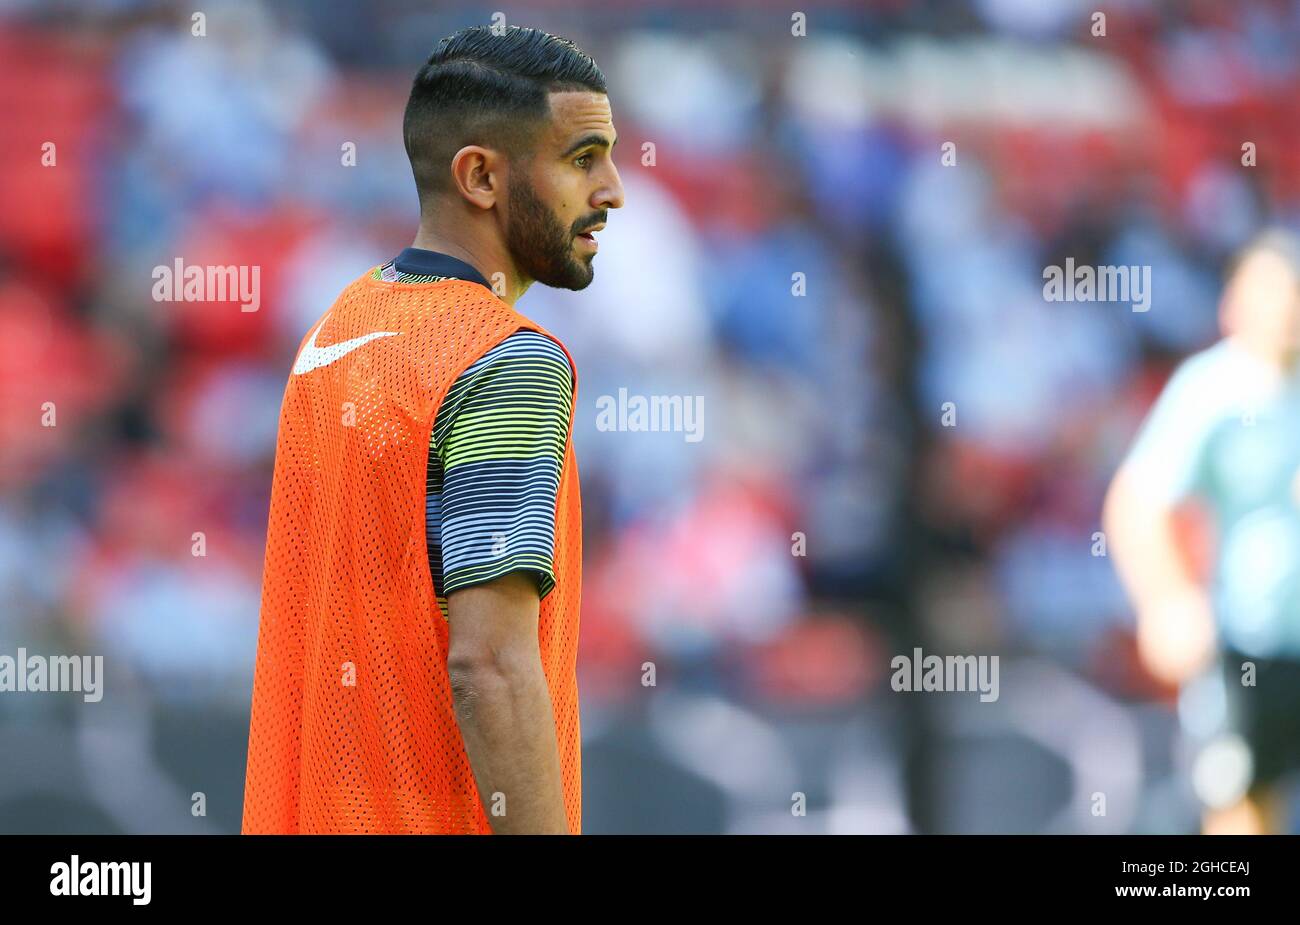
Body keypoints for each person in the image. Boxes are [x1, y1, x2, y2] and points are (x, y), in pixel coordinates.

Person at [241, 25, 624, 834]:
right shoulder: (508, 362)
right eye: (583, 158)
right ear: (480, 176)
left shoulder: (336, 332)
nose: (614, 189)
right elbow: (489, 664)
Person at [1104, 229, 1300, 834]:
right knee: (1242, 801)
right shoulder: (1212, 390)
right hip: (1250, 639)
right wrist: (1167, 601)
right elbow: (1137, 500)